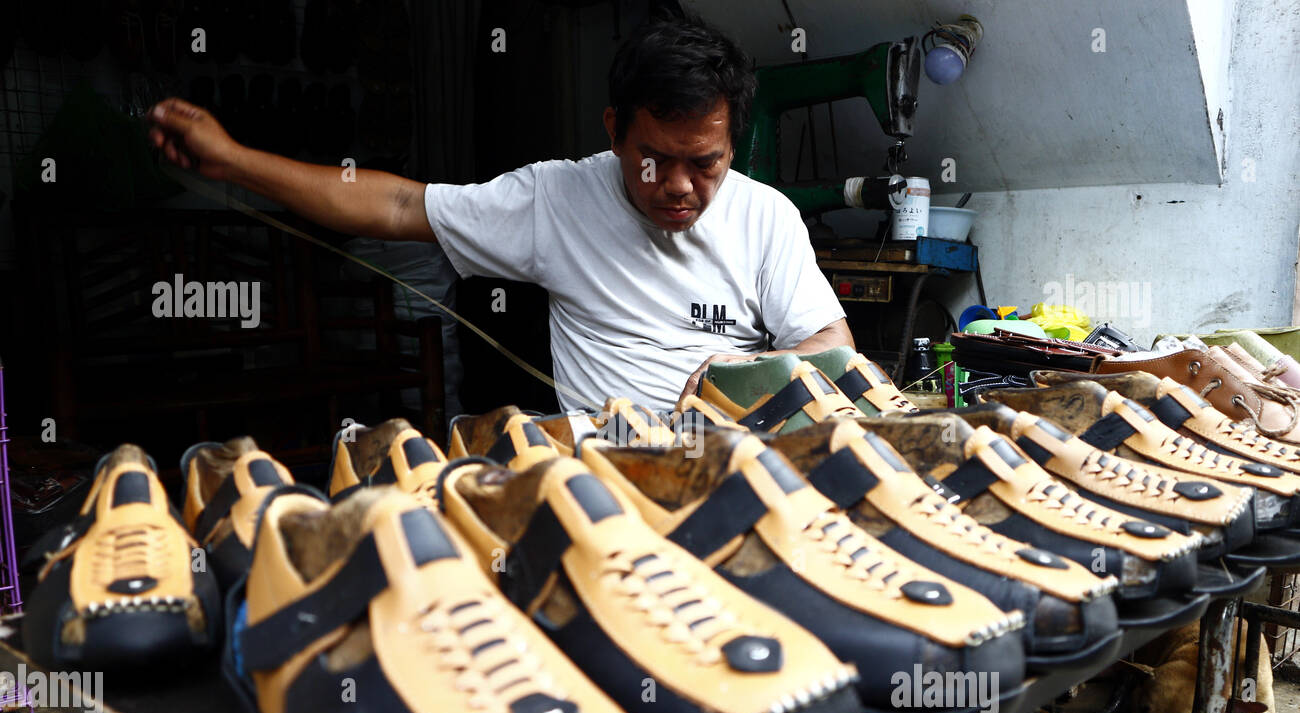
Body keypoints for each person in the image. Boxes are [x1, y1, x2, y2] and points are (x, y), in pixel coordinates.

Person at [147, 13, 852, 413]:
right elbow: (395, 203)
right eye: (652, 158)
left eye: (705, 164)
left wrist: (748, 373)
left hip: (745, 468)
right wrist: (232, 159)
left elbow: (834, 348)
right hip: (607, 478)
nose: (676, 185)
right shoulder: (555, 199)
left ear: (733, 146)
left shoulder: (767, 218)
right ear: (613, 130)